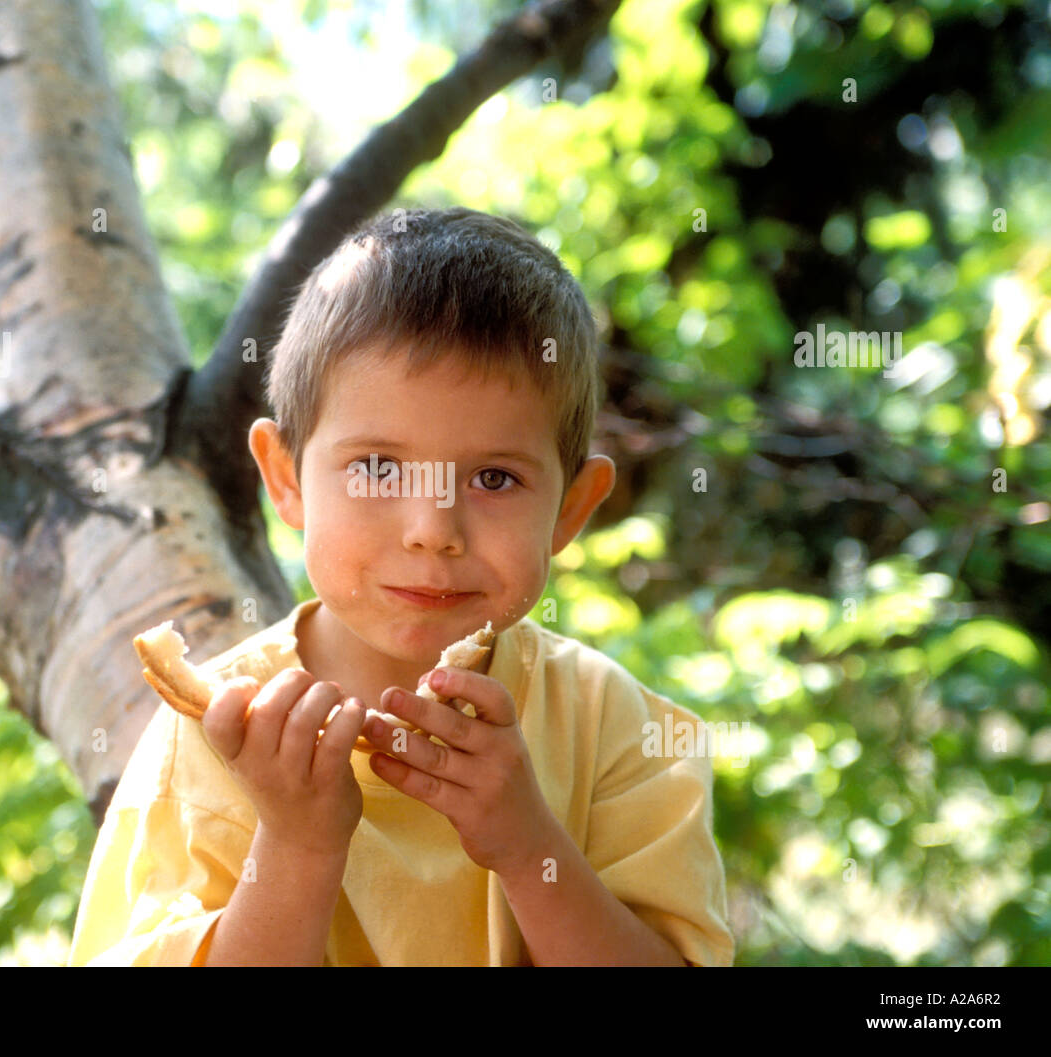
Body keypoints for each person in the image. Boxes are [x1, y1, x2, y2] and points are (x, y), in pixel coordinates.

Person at [67, 207, 734, 966]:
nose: (433, 527)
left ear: (571, 509)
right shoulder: (216, 739)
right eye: (378, 466)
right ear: (286, 479)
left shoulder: (617, 729)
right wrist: (295, 846)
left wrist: (528, 848)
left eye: (493, 477)